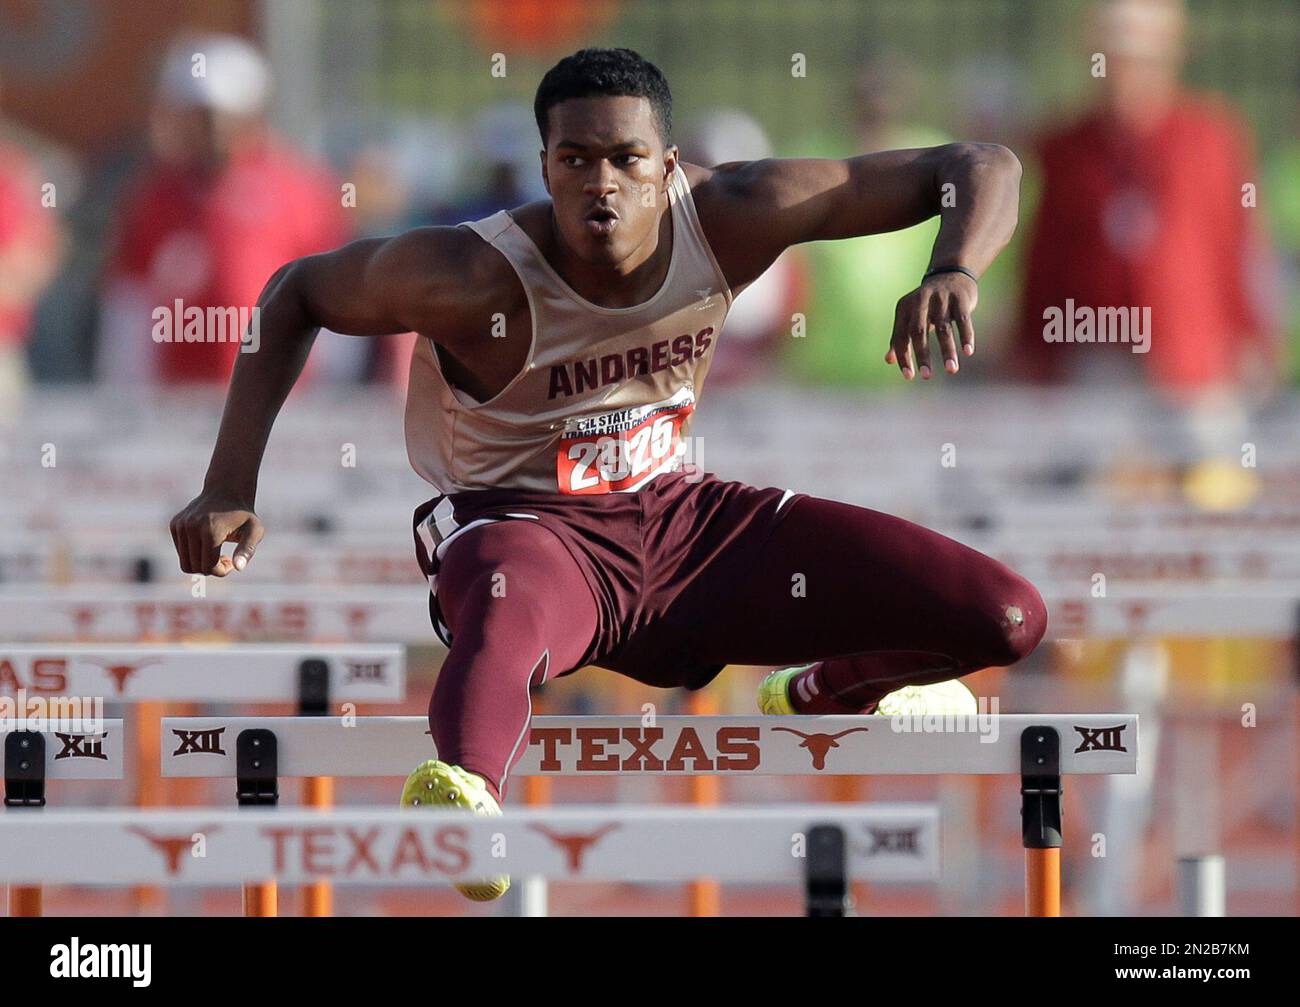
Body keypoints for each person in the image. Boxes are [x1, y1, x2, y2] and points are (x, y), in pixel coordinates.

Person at [169, 48, 1047, 901]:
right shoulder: (471, 275)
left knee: (1006, 616)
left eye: (626, 159)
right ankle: (466, 798)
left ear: (668, 167)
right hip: (527, 532)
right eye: (575, 159)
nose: (601, 185)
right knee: (504, 595)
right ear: (544, 168)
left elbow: (979, 163)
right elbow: (293, 294)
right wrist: (229, 485)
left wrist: (955, 269)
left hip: (683, 524)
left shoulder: (732, 212)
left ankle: (821, 690)